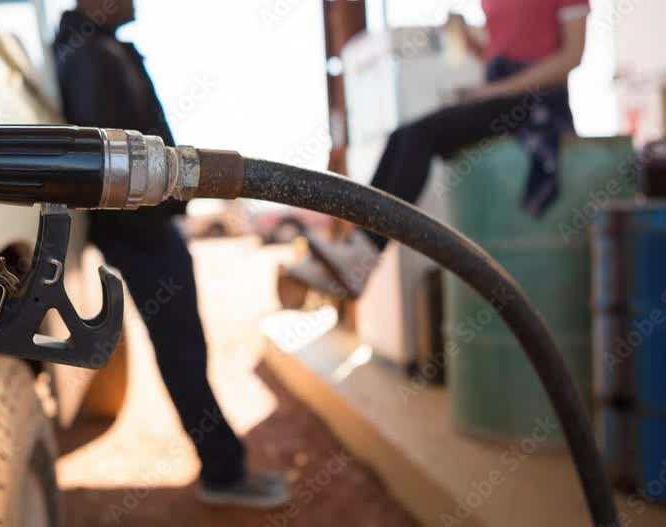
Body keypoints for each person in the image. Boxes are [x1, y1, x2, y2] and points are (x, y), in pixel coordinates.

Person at [52, 0, 290, 510]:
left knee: (186, 347)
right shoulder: (90, 55)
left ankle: (224, 466)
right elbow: (110, 157)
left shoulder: (102, 50)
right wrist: (151, 218)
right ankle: (224, 474)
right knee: (182, 348)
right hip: (138, 228)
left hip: (146, 225)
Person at [308, 0, 591, 296]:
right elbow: (499, 50)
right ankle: (357, 247)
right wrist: (471, 43)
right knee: (402, 135)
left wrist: (494, 91)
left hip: (536, 101)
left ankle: (361, 256)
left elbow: (572, 56)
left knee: (420, 136)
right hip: (496, 96)